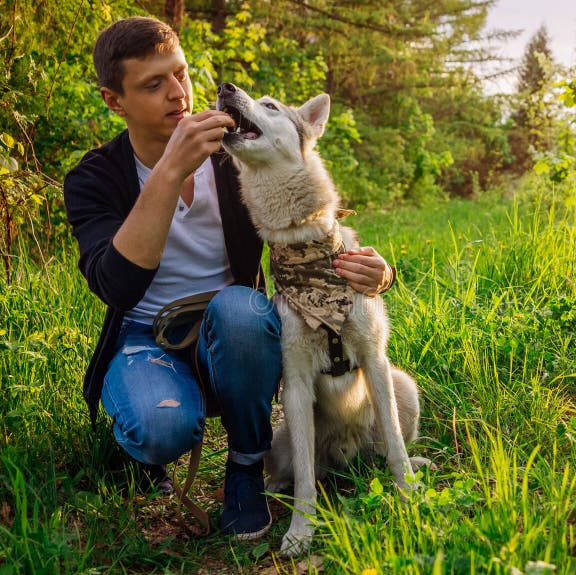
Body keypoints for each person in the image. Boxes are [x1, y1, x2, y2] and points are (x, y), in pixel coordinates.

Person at [63, 16, 395, 540]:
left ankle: (245, 466)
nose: (179, 94)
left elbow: (304, 221)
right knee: (159, 428)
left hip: (235, 329)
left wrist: (377, 273)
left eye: (181, 74)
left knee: (241, 308)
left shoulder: (233, 154)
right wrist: (171, 170)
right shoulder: (93, 178)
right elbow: (117, 285)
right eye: (154, 84)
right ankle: (148, 443)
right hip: (144, 335)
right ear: (114, 100)